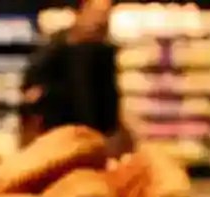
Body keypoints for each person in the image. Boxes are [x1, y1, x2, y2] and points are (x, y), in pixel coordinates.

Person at [20, 0, 132, 152]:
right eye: (97, 14)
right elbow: (33, 91)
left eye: (105, 15)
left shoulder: (104, 54)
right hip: (58, 139)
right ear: (81, 12)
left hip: (95, 140)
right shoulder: (55, 49)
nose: (100, 21)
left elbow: (109, 98)